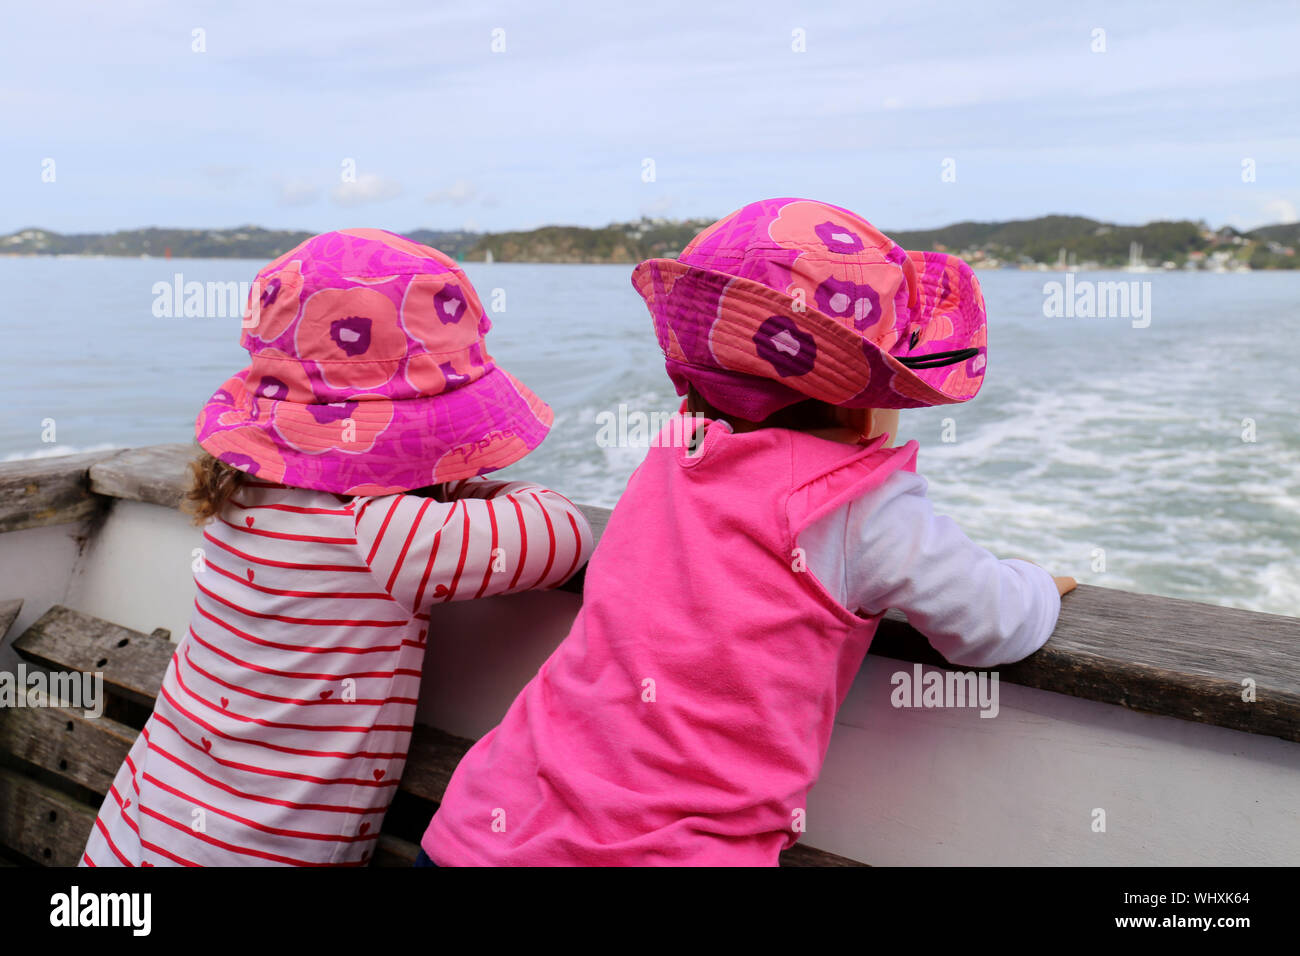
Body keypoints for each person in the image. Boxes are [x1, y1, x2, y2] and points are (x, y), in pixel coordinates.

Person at [419, 199, 1075, 866]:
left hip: (477, 828)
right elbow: (989, 625)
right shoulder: (860, 504)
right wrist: (1038, 584)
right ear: (869, 396)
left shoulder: (674, 455)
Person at [81, 229, 591, 866]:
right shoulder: (384, 533)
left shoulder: (240, 500)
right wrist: (455, 475)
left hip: (136, 827)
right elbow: (563, 532)